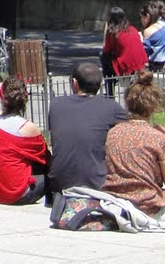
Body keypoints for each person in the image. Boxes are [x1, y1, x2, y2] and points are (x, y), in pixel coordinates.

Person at [103, 70, 165, 225]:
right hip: (151, 211)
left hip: (118, 205)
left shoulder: (113, 133)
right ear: (154, 107)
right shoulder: (158, 138)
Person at [45, 60, 128, 195]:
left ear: (75, 83)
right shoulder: (111, 107)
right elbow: (132, 129)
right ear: (100, 85)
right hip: (97, 184)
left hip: (59, 184)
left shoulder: (56, 105)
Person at [0, 76, 49, 204]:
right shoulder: (27, 128)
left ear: (1, 96)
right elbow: (44, 157)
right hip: (15, 194)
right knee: (50, 175)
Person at [101, 5, 148, 79]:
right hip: (141, 62)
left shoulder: (113, 32)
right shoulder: (132, 29)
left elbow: (106, 49)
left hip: (126, 64)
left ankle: (109, 85)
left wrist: (106, 31)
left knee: (103, 56)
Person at [140, 0, 165, 68]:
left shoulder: (148, 31)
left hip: (158, 65)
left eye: (141, 17)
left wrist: (140, 39)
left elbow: (144, 53)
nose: (141, 20)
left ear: (147, 16)